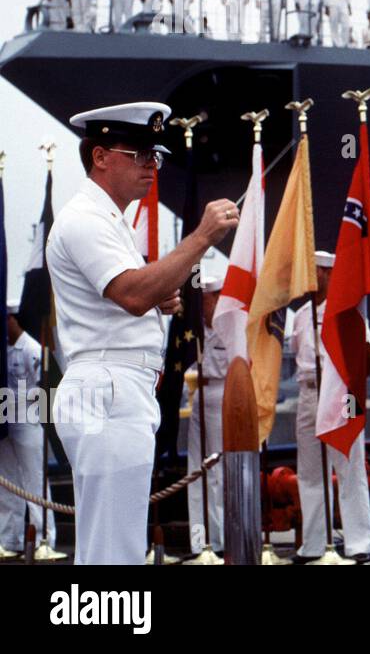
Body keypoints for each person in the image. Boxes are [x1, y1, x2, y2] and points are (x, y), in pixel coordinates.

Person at [47, 102, 238, 564]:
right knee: (116, 550)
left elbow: (135, 294)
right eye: (139, 154)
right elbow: (131, 294)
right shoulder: (86, 220)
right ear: (100, 157)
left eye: (155, 155)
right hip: (109, 385)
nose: (151, 165)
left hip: (116, 385)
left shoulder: (109, 221)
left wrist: (160, 297)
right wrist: (201, 238)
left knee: (110, 545)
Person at [291, 250, 370, 561]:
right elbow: (297, 352)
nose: (308, 279)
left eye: (313, 272)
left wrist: (348, 390)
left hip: (344, 395)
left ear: (327, 274)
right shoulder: (300, 316)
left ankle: (358, 543)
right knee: (310, 471)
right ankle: (313, 544)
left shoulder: (346, 312)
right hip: (309, 395)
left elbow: (368, 354)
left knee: (351, 467)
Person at [0, 308, 56, 551]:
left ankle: (44, 538)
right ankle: (10, 539)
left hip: (27, 420)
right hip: (5, 420)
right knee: (8, 482)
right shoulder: (5, 348)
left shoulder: (32, 348)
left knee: (35, 481)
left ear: (11, 319)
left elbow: (44, 389)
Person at [185, 274, 230, 555]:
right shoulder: (194, 329)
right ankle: (200, 540)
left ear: (215, 297)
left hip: (223, 393)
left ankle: (221, 540)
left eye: (204, 299)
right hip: (200, 393)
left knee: (217, 471)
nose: (200, 305)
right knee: (195, 471)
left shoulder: (228, 327)